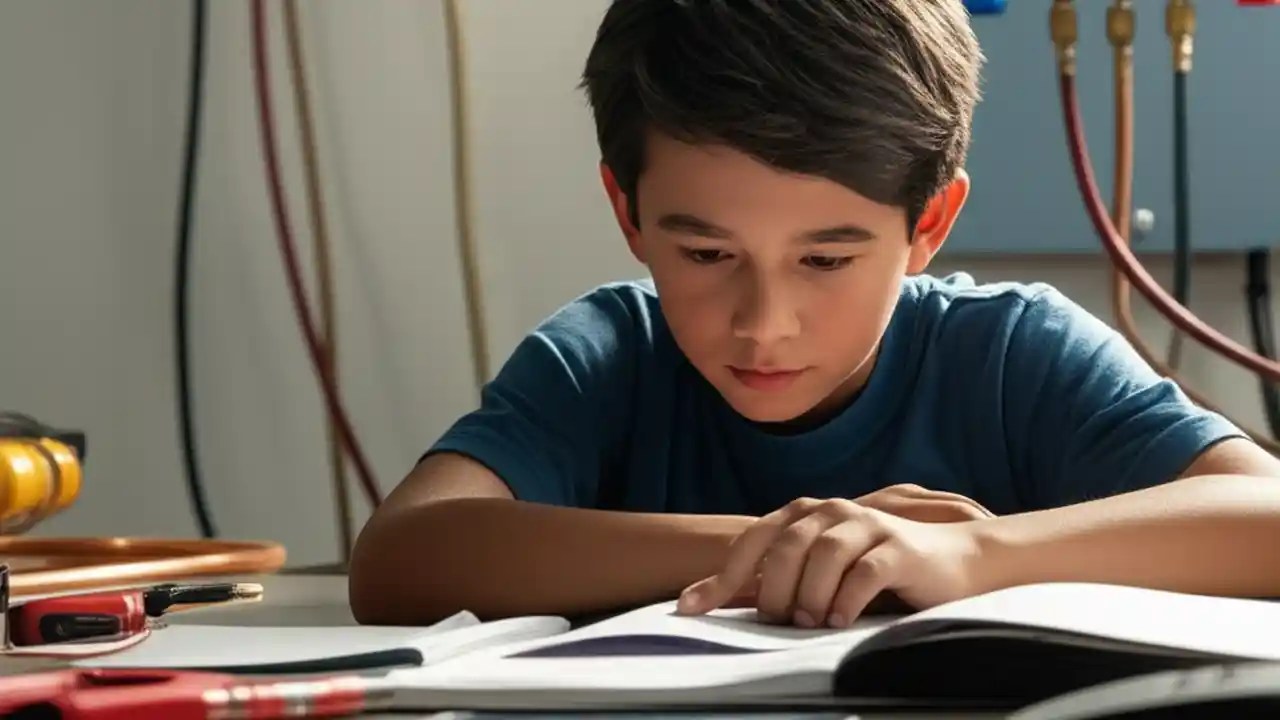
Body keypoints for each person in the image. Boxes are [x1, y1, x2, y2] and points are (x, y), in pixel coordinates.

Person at [349, 0, 1280, 628]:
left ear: (929, 225)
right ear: (627, 212)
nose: (765, 323)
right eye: (707, 254)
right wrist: (788, 547)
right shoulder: (609, 355)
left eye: (827, 259)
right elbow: (402, 557)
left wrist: (969, 556)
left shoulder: (1012, 354)